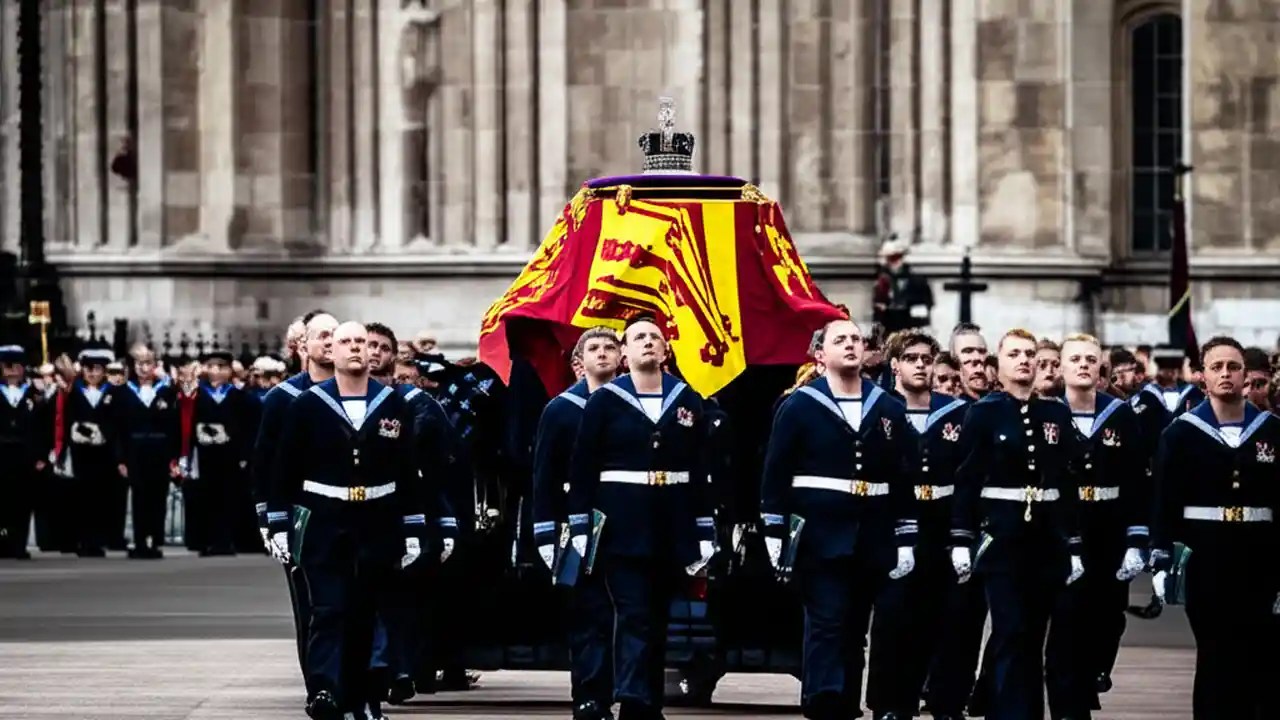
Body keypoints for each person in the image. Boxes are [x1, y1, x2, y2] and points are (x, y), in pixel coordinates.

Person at [267, 322, 438, 720]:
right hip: (325, 519)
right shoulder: (307, 405)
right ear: (332, 351)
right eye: (346, 342)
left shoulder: (391, 402)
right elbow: (283, 469)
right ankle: (324, 691)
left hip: (376, 520)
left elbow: (406, 468)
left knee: (365, 611)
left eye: (361, 342)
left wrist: (413, 526)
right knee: (328, 609)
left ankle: (363, 697)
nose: (356, 349)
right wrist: (277, 521)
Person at [761, 318, 917, 720]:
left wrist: (904, 537)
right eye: (840, 340)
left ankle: (845, 698)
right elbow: (776, 471)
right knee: (827, 619)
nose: (851, 345)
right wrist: (775, 528)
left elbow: (901, 475)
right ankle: (824, 697)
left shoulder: (886, 406)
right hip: (820, 532)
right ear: (820, 354)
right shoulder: (800, 404)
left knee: (855, 626)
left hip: (873, 532)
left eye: (856, 339)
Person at [567, 316, 717, 720]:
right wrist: (581, 524)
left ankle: (647, 700)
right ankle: (633, 698)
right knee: (633, 613)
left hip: (672, 522)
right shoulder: (605, 400)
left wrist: (705, 528)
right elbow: (582, 467)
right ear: (625, 353)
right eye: (639, 338)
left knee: (658, 616)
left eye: (655, 337)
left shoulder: (687, 399)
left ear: (666, 350)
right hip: (622, 522)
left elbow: (700, 468)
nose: (648, 343)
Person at [950, 328, 1086, 720]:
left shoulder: (1055, 413)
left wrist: (1073, 543)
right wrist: (961, 537)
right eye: (1015, 354)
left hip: (1046, 539)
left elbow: (1065, 481)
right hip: (1002, 537)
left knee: (1035, 635)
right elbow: (968, 478)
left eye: (1031, 354)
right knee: (1011, 632)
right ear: (1000, 363)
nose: (1025, 361)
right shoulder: (984, 412)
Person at [1151, 336, 1280, 719]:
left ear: (1245, 375)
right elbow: (1164, 499)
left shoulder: (1272, 431)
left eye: (1234, 367)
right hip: (1206, 558)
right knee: (1215, 654)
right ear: (1202, 376)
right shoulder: (1181, 433)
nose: (1226, 374)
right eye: (1217, 367)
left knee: (1258, 653)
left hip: (1260, 557)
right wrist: (1160, 556)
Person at [866, 331, 967, 720]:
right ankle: (889, 703)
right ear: (895, 366)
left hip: (940, 525)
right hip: (893, 527)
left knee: (938, 618)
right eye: (911, 358)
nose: (921, 365)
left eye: (927, 358)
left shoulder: (955, 412)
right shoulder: (879, 409)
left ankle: (940, 697)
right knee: (892, 619)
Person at [1046, 334, 1147, 717]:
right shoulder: (1047, 413)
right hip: (1062, 532)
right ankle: (1068, 707)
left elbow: (1136, 479)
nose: (1084, 365)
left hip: (1108, 531)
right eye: (1076, 359)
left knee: (1107, 617)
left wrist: (1136, 539)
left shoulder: (1119, 415)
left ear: (1101, 370)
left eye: (1091, 359)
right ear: (1062, 367)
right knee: (1067, 623)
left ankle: (1091, 677)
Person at [532, 327, 622, 720]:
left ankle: (628, 691)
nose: (602, 354)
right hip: (577, 523)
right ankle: (589, 694)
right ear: (578, 362)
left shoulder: (633, 405)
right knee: (588, 614)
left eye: (609, 348)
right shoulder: (561, 409)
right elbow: (544, 476)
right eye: (594, 349)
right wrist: (545, 531)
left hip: (624, 520)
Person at [251, 311, 338, 705]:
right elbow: (267, 463)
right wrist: (272, 519)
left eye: (336, 335)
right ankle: (319, 685)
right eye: (322, 335)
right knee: (311, 603)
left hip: (348, 513)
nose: (330, 342)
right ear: (303, 346)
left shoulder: (353, 393)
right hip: (302, 515)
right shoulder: (282, 399)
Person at [114, 347, 180, 558]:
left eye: (148, 363)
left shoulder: (166, 391)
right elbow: (119, 428)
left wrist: (173, 457)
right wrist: (121, 458)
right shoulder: (124, 392)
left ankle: (154, 540)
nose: (143, 368)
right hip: (135, 451)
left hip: (159, 451)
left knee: (158, 497)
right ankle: (140, 540)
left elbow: (174, 426)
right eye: (139, 363)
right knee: (139, 497)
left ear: (155, 365)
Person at [61, 348, 125, 557]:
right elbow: (66, 418)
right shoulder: (74, 392)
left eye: (97, 369)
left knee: (102, 498)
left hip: (104, 453)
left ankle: (100, 540)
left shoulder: (114, 392)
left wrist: (102, 434)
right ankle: (83, 540)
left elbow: (117, 421)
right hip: (82, 452)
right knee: (82, 498)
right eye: (89, 369)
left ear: (104, 371)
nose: (93, 374)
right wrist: (78, 432)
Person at [0, 344, 48, 559]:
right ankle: (2, 543)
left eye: (16, 365)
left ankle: (19, 544)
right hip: (2, 452)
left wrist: (41, 455)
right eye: (7, 365)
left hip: (25, 454)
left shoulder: (34, 394)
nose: (12, 370)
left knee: (22, 501)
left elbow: (43, 427)